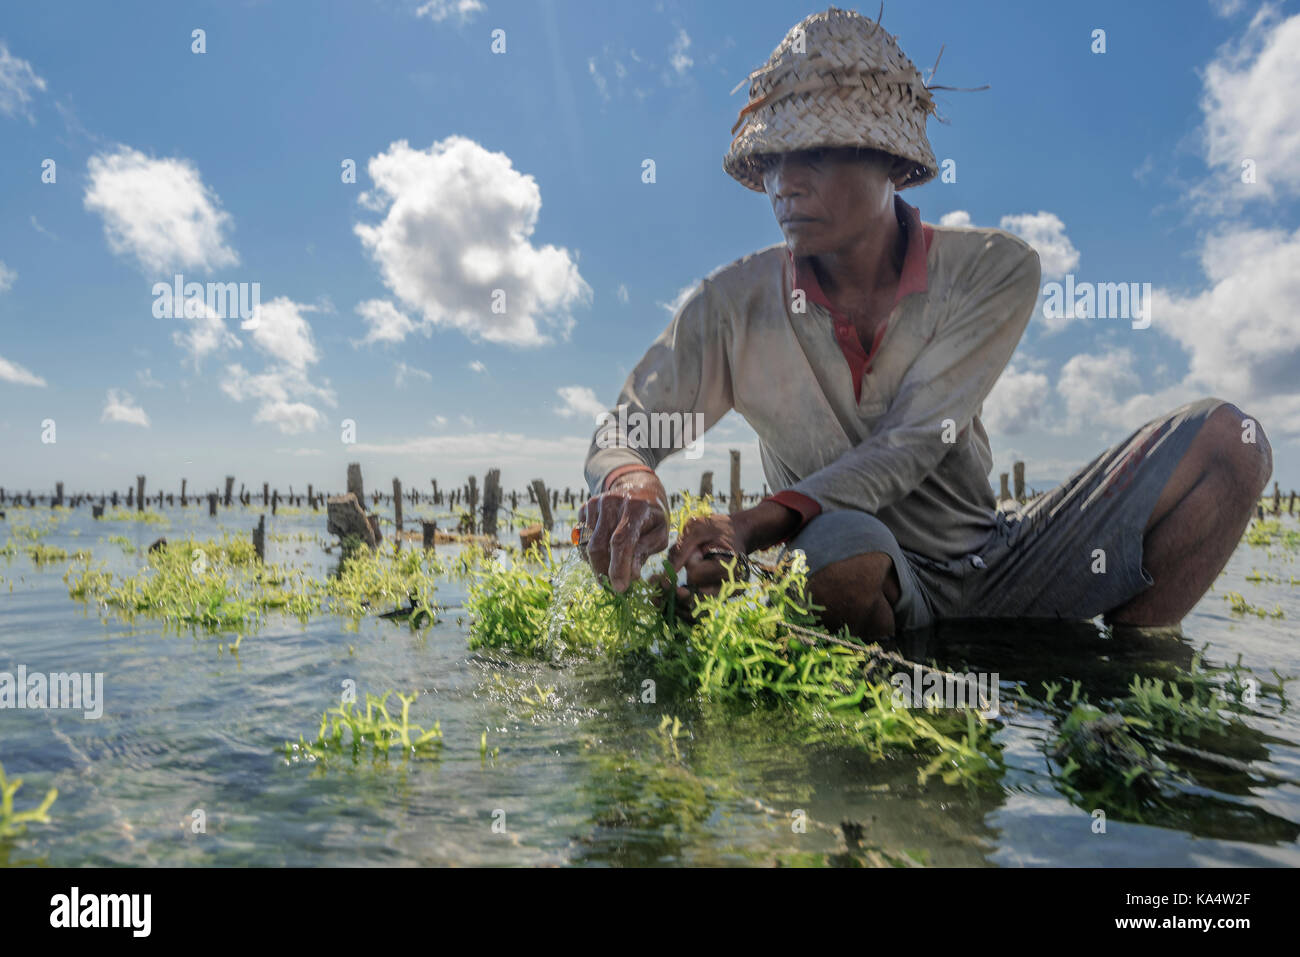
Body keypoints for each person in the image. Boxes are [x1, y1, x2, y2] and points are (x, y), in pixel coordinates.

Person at [578, 7, 1272, 638]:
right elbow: (623, 432)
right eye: (770, 164)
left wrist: (747, 526)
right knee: (843, 552)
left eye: (814, 153)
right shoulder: (731, 303)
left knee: (1231, 441)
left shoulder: (993, 270)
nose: (785, 183)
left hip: (996, 555)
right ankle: (868, 640)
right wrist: (630, 481)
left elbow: (908, 444)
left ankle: (1133, 665)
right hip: (856, 562)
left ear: (891, 162)